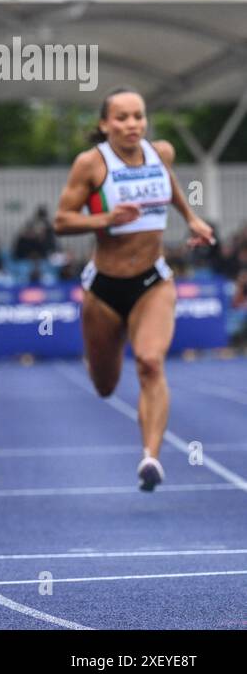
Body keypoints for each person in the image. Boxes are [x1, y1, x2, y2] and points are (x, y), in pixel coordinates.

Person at [53, 87, 214, 490]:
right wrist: (107, 218)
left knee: (150, 363)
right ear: (105, 124)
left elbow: (169, 181)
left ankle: (150, 459)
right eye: (122, 118)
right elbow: (62, 221)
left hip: (152, 282)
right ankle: (104, 360)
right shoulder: (90, 165)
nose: (131, 125)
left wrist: (191, 219)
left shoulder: (161, 152)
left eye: (138, 117)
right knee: (105, 386)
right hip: (104, 289)